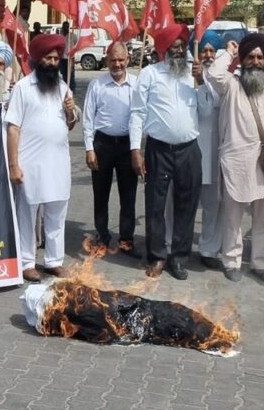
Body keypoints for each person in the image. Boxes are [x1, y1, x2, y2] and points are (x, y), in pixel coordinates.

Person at [205, 33, 264, 284]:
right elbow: (212, 74)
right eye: (250, 56)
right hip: (238, 162)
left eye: (260, 57)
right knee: (233, 216)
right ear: (243, 60)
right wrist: (229, 52)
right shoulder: (230, 84)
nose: (255, 61)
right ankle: (231, 261)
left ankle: (259, 263)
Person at [131, 25, 204, 279]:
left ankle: (179, 258)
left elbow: (207, 110)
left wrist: (202, 82)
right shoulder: (150, 74)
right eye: (175, 47)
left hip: (189, 150)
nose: (180, 50)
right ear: (164, 50)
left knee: (187, 204)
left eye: (182, 46)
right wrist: (135, 150)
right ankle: (157, 256)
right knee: (155, 205)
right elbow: (137, 113)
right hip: (158, 150)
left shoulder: (193, 75)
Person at [7, 33, 77, 282]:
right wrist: (13, 165)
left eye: (56, 58)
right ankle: (26, 261)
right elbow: (12, 127)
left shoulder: (62, 87)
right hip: (30, 164)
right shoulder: (23, 88)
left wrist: (71, 113)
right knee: (28, 213)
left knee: (57, 211)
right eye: (48, 58)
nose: (53, 62)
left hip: (58, 163)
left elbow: (69, 125)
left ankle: (54, 261)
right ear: (37, 60)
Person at [83, 41, 139, 258]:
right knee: (101, 193)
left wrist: (138, 149)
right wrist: (89, 148)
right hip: (102, 145)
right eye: (113, 60)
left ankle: (126, 240)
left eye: (121, 60)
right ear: (106, 60)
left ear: (128, 60)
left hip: (127, 146)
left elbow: (141, 117)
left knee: (128, 195)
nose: (117, 64)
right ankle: (102, 235)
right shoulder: (96, 85)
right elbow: (88, 119)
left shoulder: (136, 84)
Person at [195, 31, 225, 271]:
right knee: (179, 204)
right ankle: (174, 245)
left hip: (215, 153)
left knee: (213, 205)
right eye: (203, 50)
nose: (206, 55)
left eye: (210, 51)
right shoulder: (184, 76)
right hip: (188, 152)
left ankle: (208, 249)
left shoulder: (225, 79)